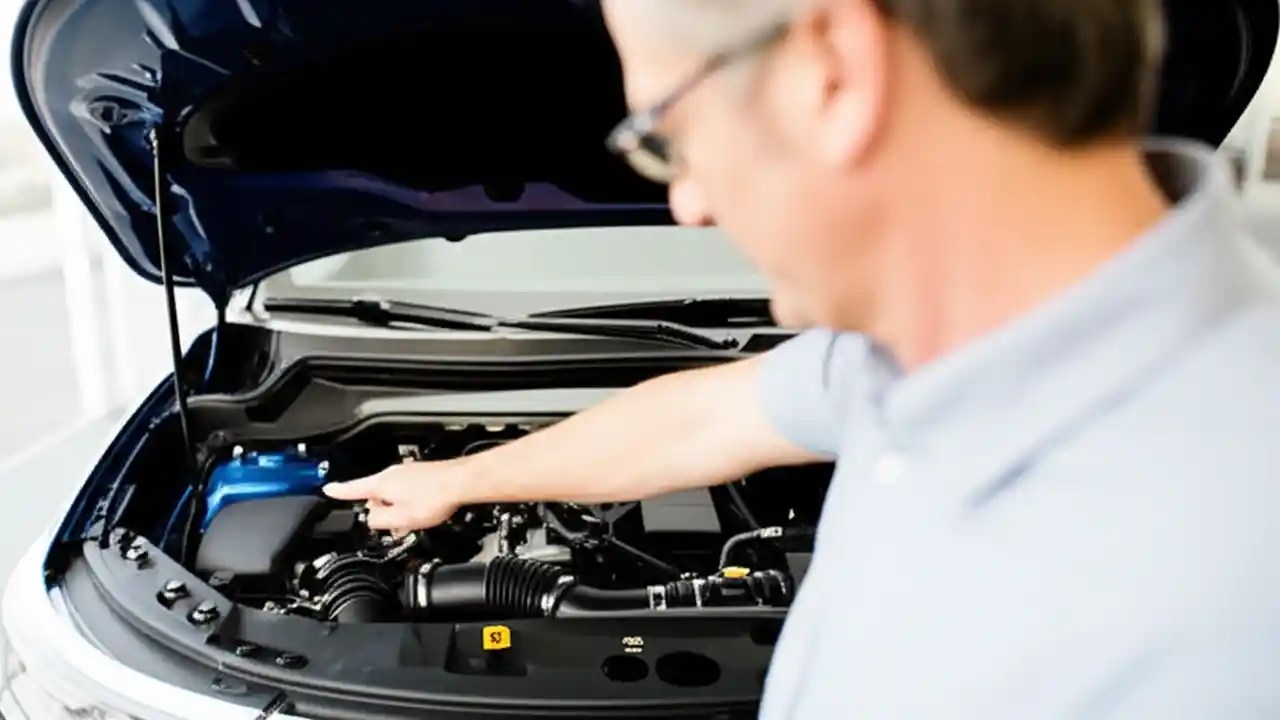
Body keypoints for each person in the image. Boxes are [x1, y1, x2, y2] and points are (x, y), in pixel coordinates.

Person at [326, 0, 1280, 715]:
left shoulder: (1216, 607)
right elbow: (701, 419)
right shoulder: (927, 343)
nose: (689, 202)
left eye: (668, 136)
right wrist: (458, 477)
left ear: (835, 71)